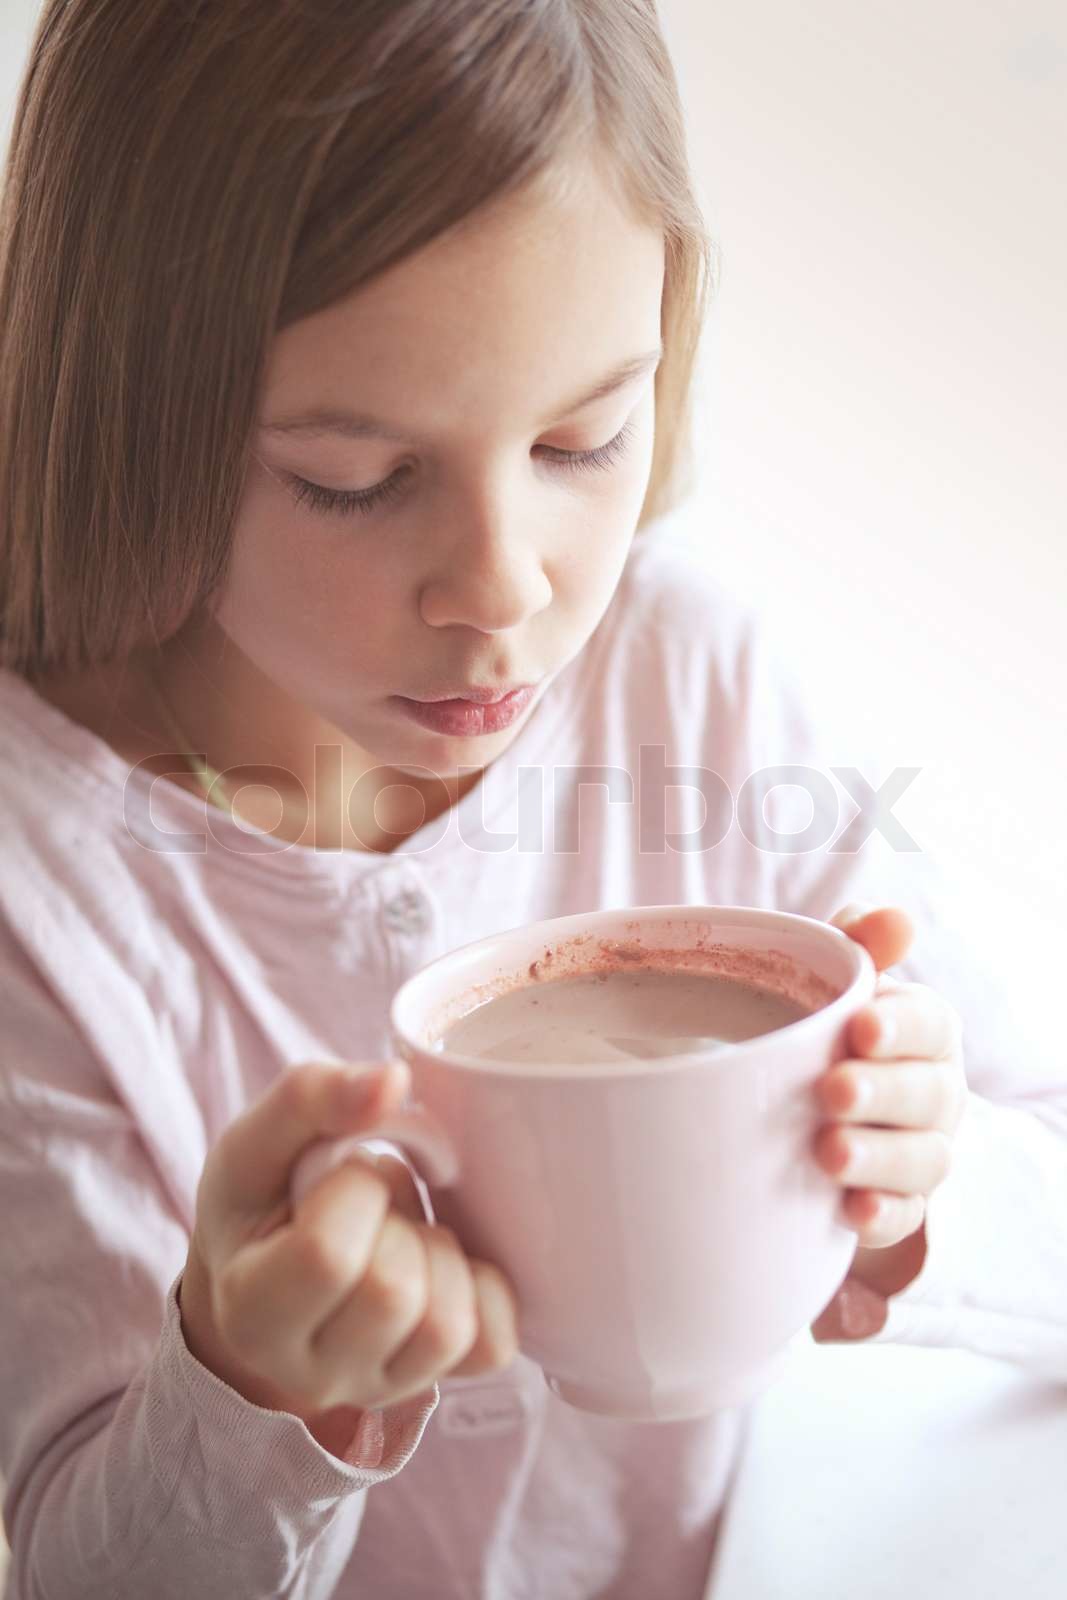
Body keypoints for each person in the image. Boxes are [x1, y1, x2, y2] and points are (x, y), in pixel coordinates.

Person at [0, 3, 1063, 1597]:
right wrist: (244, 1379)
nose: (503, 593)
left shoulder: (691, 675)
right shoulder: (42, 883)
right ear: (135, 415)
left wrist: (927, 1188)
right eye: (353, 480)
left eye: (585, 439)